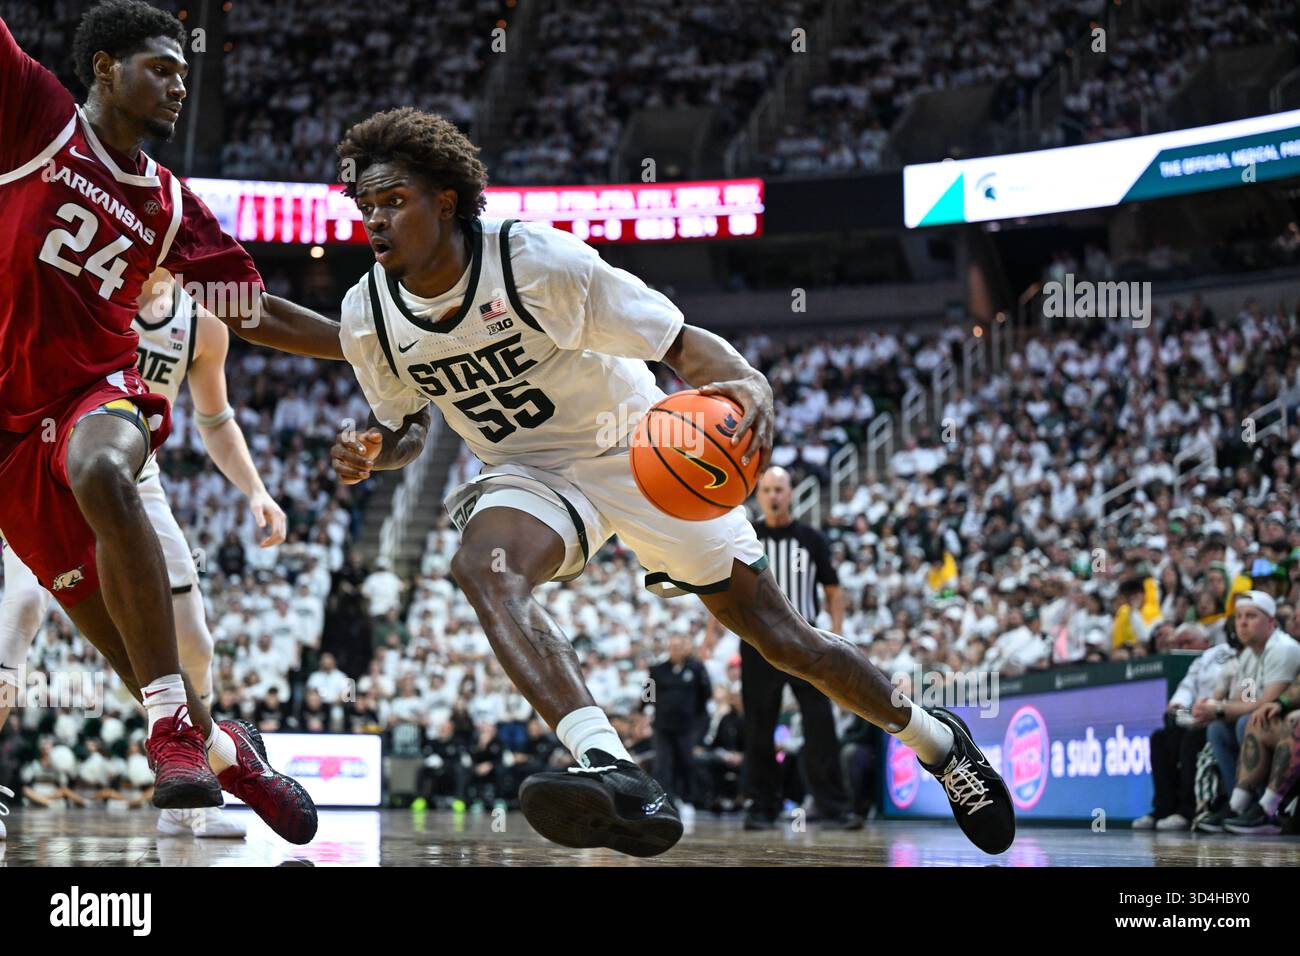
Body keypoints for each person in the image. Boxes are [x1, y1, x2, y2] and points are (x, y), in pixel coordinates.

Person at [330, 107, 1014, 857]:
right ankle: (612, 766)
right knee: (482, 567)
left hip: (638, 448)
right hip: (528, 470)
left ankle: (937, 740)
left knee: (784, 641)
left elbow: (676, 341)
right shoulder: (367, 313)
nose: (375, 220)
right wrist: (375, 449)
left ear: (447, 200)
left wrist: (746, 382)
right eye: (365, 206)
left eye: (393, 201)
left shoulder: (535, 262)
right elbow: (409, 427)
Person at [0, 1, 338, 842]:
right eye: (162, 66)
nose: (180, 83)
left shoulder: (170, 205)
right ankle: (227, 752)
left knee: (106, 468)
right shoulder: (36, 116)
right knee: (120, 646)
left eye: (186, 73)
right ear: (104, 68)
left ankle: (172, 734)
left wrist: (367, 350)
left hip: (97, 391)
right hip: (11, 430)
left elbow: (251, 307)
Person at [0, 271, 282, 839]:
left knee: (194, 641)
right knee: (22, 608)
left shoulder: (203, 326)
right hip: (46, 452)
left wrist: (256, 489)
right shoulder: (83, 287)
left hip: (134, 473)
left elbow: (216, 418)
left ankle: (189, 791)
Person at [722, 465, 860, 830]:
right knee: (758, 728)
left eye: (779, 489)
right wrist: (712, 638)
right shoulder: (746, 537)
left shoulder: (811, 538)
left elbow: (832, 589)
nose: (773, 496)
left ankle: (833, 805)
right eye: (767, 490)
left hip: (807, 640)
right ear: (759, 495)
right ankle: (761, 806)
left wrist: (838, 629)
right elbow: (725, 587)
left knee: (820, 724)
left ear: (790, 493)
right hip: (756, 642)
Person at [1193, 591, 1300, 832]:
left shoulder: (1283, 649)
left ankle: (1265, 808)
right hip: (1272, 719)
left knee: (1247, 722)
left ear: (1271, 622)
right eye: (1239, 616)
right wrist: (1212, 709)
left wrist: (1218, 709)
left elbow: (1265, 703)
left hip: (1281, 720)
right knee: (1219, 729)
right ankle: (1238, 804)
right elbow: (1242, 700)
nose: (1242, 622)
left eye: (1251, 616)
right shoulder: (1249, 655)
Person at [1132, 623, 1235, 831]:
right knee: (1160, 738)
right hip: (1195, 715)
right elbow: (1187, 687)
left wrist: (1213, 708)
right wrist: (1178, 704)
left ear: (1206, 642)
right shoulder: (1200, 661)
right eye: (1179, 643)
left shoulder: (1228, 655)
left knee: (1191, 740)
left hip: (1221, 716)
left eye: (1188, 642)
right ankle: (1163, 807)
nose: (1183, 646)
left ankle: (1187, 810)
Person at [646, 634, 711, 822]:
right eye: (672, 646)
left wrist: (697, 721)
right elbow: (647, 694)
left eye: (679, 646)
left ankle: (687, 799)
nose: (676, 650)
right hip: (663, 726)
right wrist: (645, 711)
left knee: (687, 762)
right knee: (662, 765)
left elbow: (705, 695)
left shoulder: (697, 668)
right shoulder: (657, 669)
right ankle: (665, 801)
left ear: (686, 648)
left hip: (687, 727)